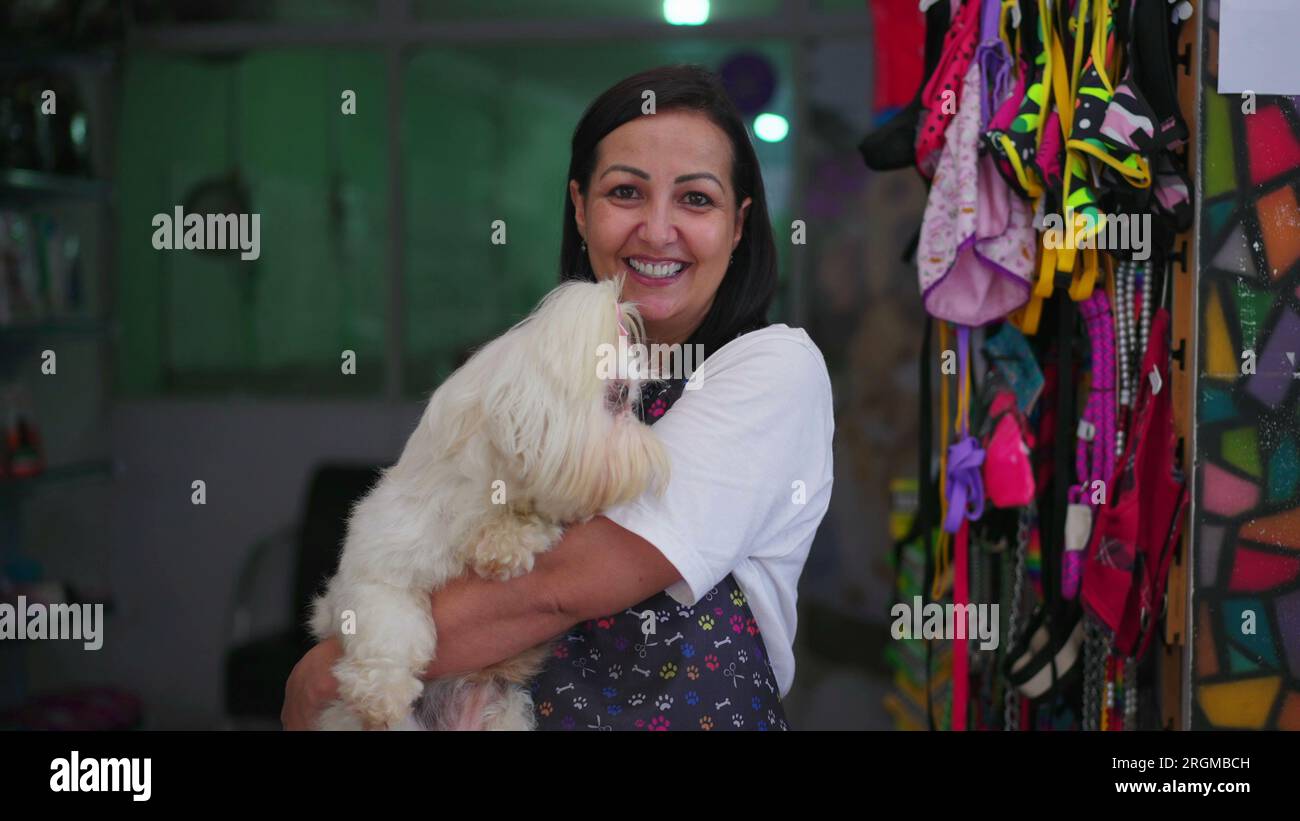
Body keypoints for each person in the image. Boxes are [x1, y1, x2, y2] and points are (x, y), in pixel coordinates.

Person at [282, 64, 834, 731]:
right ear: (579, 207)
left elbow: (558, 586)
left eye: (696, 199)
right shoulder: (524, 371)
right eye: (626, 191)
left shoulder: (774, 370)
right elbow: (420, 534)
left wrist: (329, 668)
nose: (658, 231)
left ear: (739, 223)